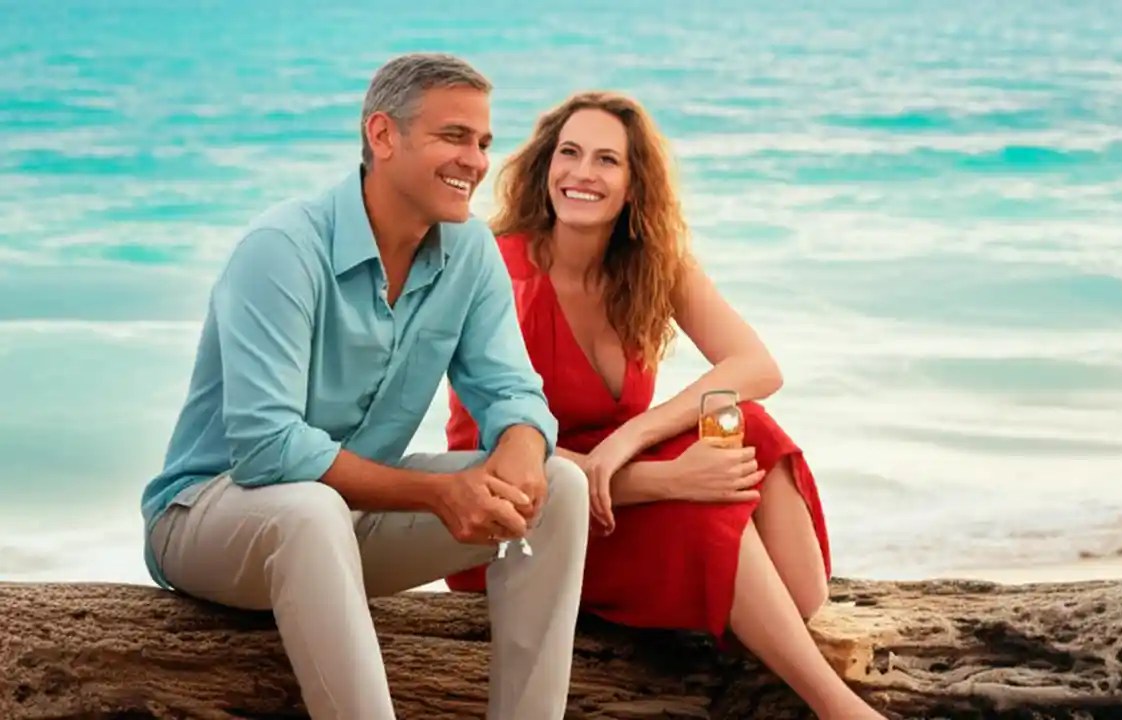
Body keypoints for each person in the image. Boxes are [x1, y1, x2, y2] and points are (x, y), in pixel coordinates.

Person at [138, 53, 590, 720]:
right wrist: (439, 493)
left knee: (563, 488)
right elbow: (267, 450)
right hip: (210, 516)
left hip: (349, 524)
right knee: (311, 509)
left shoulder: (469, 252)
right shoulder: (283, 248)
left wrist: (522, 458)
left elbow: (513, 392)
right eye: (454, 137)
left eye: (484, 142)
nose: (476, 161)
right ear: (383, 136)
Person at [443, 91, 886, 720]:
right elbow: (486, 458)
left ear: (633, 185)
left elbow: (756, 366)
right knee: (701, 519)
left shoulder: (649, 262)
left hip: (616, 485)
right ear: (545, 166)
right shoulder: (495, 269)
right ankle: (838, 707)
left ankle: (756, 609)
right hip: (528, 516)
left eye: (606, 160)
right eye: (568, 153)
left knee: (746, 426)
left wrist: (630, 441)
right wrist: (668, 479)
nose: (581, 174)